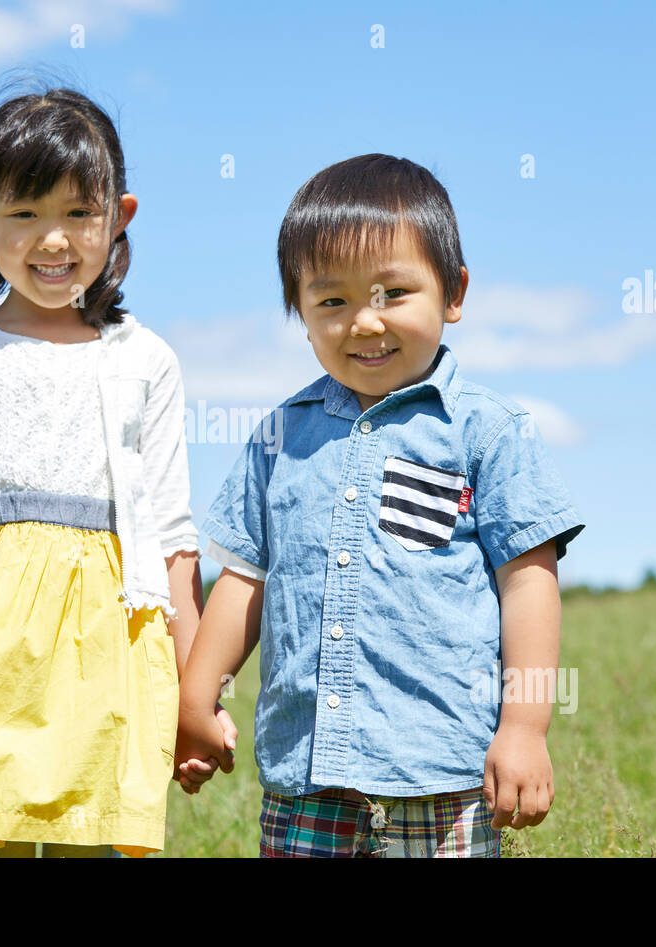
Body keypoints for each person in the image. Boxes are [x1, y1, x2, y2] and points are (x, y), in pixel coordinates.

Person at [175, 154, 586, 857]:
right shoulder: (281, 435)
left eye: (393, 293)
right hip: (306, 775)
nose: (364, 322)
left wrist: (523, 726)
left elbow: (528, 585)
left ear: (453, 293)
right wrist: (196, 698)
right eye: (332, 301)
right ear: (299, 311)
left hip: (444, 777)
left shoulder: (486, 430)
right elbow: (244, 579)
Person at [0, 82, 235, 858]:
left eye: (79, 213)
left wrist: (195, 690)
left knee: (95, 840)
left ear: (120, 216)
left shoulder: (145, 359)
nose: (54, 240)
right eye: (25, 213)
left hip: (112, 645)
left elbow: (173, 537)